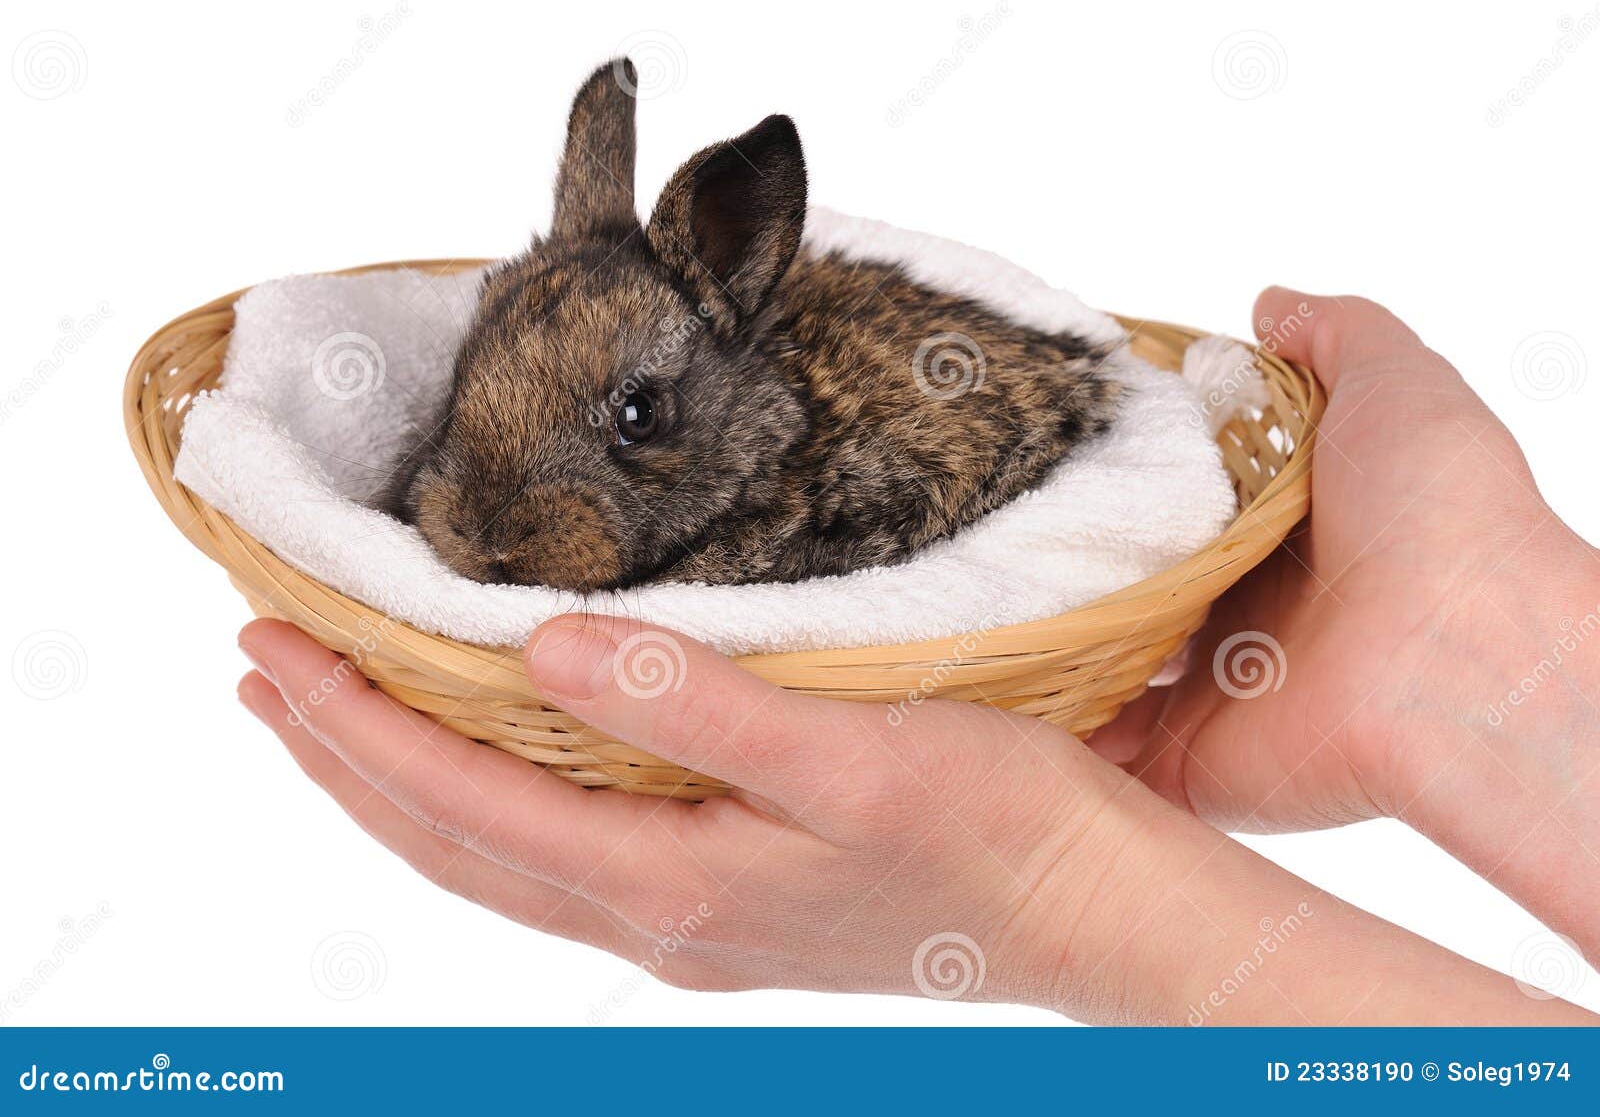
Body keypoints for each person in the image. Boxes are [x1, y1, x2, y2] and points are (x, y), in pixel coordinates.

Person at [236, 288, 1599, 1024]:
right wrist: (1464, 648)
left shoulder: (845, 451)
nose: (477, 511)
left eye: (637, 420)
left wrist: (1062, 898)